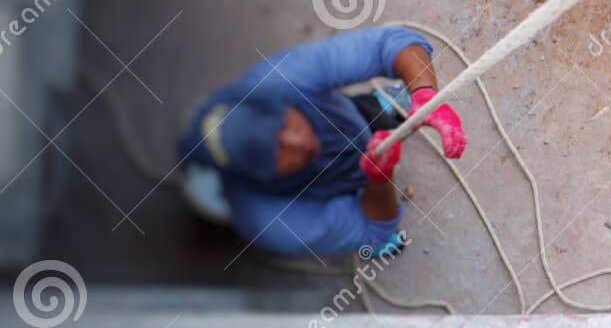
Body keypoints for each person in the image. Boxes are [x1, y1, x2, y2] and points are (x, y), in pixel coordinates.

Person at [175, 27, 466, 260]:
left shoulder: (278, 80)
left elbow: (390, 42)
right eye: (277, 152)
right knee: (379, 240)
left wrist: (425, 93)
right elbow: (371, 231)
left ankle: (378, 109)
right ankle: (368, 214)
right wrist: (379, 180)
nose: (297, 142)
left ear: (281, 103)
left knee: (377, 109)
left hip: (350, 119)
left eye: (286, 124)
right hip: (345, 192)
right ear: (262, 177)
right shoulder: (268, 220)